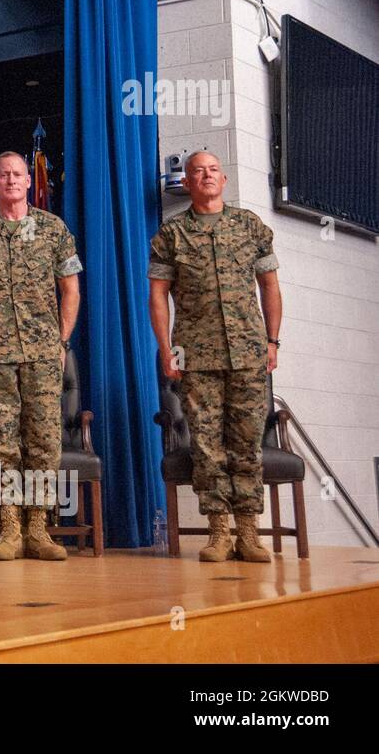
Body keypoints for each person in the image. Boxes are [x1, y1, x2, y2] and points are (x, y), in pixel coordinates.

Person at [148, 151, 282, 562]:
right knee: (207, 444)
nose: (205, 176)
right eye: (196, 172)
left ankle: (248, 532)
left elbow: (270, 287)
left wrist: (272, 342)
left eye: (212, 171)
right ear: (186, 183)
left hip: (247, 352)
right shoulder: (170, 235)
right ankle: (219, 531)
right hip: (196, 355)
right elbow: (158, 297)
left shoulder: (250, 227)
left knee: (246, 443)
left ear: (223, 179)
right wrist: (166, 348)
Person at [0, 152, 82, 560]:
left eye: (18, 175)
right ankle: (9, 529)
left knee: (42, 441)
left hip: (42, 352)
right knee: (1, 442)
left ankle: (38, 529)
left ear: (28, 182)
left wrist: (60, 342)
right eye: (3, 175)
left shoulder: (53, 229)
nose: (11, 181)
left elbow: (71, 290)